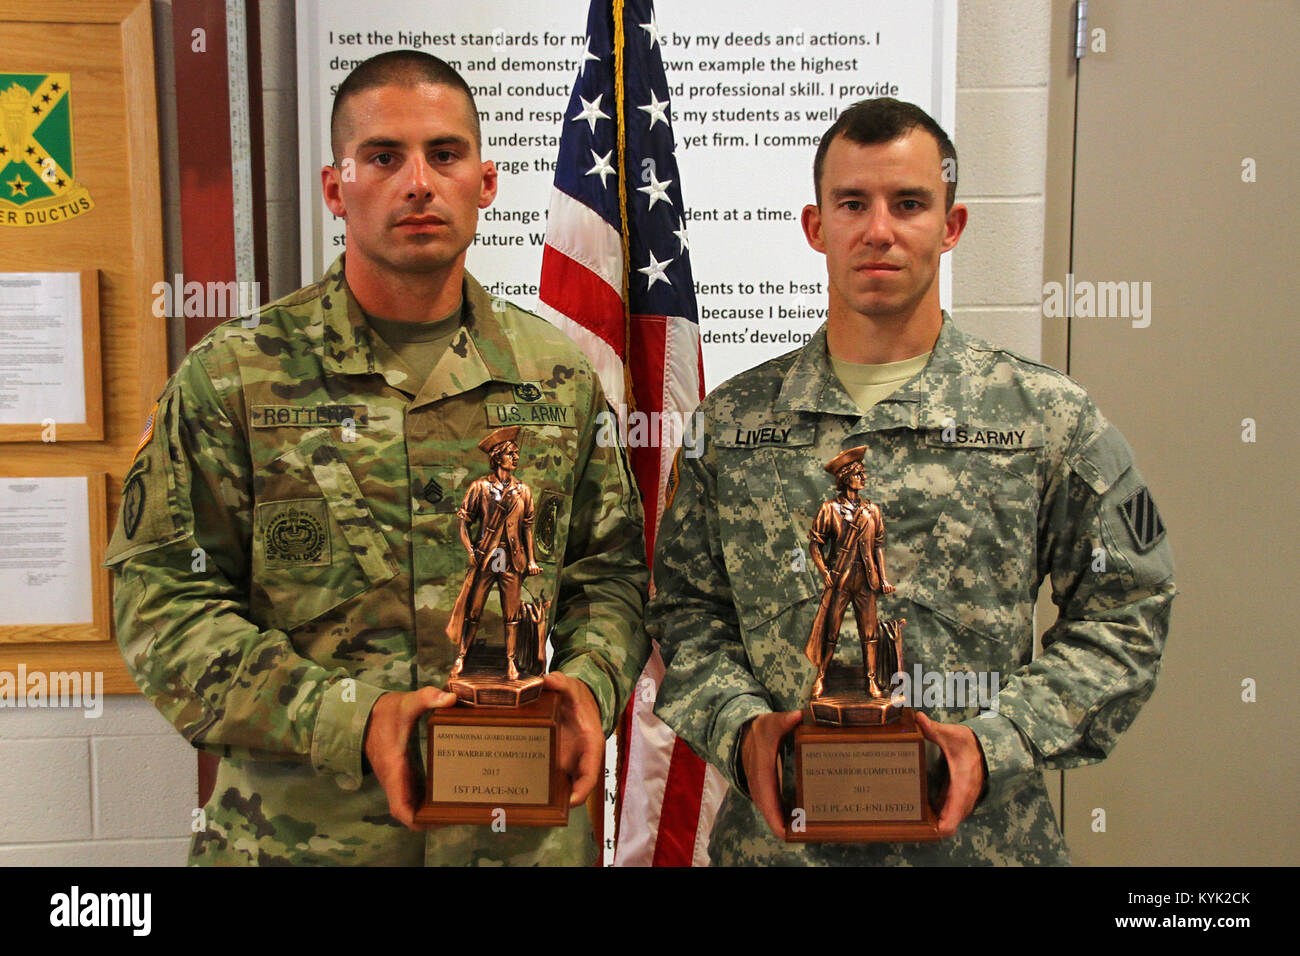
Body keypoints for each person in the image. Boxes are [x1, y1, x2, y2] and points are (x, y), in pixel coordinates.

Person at [104, 50, 649, 866]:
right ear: (337, 188)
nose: (419, 183)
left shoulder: (556, 377)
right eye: (384, 157)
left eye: (444, 154)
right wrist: (350, 719)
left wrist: (588, 682)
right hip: (304, 842)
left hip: (516, 837)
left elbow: (611, 576)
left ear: (486, 183)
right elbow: (162, 605)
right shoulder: (235, 379)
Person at [647, 98, 1175, 865]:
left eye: (909, 204)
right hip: (781, 848)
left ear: (951, 225)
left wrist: (999, 741)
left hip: (982, 847)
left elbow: (1129, 603)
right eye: (852, 204)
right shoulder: (732, 425)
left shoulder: (1045, 418)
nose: (879, 230)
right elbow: (684, 611)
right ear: (815, 226)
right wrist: (742, 728)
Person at [447, 426, 543, 681]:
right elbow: (463, 522)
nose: (515, 457)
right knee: (473, 611)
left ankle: (511, 662)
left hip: (512, 559)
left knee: (511, 614)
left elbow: (528, 528)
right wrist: (470, 551)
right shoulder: (480, 487)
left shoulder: (524, 491)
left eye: (516, 453)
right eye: (510, 453)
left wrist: (531, 560)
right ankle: (461, 656)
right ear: (497, 457)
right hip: (486, 557)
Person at [804, 449, 896, 699]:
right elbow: (815, 545)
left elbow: (878, 547)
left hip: (866, 579)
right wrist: (824, 572)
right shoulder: (829, 509)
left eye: (863, 473)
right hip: (840, 579)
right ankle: (821, 677)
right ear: (845, 478)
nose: (864, 478)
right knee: (830, 632)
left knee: (869, 633)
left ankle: (871, 680)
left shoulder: (872, 510)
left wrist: (883, 578)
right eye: (858, 474)